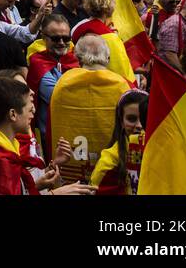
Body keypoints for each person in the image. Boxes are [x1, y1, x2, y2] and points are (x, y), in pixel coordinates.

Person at [0, 77, 93, 195]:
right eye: (29, 109)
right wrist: (55, 193)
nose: (34, 112)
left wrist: (38, 184)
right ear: (13, 114)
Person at [48, 34, 130, 181]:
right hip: (110, 167)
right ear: (108, 58)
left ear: (78, 58)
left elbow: (53, 124)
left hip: (71, 171)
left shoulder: (63, 83)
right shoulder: (121, 85)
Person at [26, 14, 78, 138]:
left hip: (75, 128)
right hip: (49, 133)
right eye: (55, 38)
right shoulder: (38, 62)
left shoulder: (76, 59)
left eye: (66, 38)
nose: (61, 43)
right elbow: (57, 96)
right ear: (44, 37)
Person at [71, 0, 136, 82]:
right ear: (109, 7)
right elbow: (123, 72)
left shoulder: (77, 28)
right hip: (105, 83)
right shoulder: (110, 37)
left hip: (80, 79)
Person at [91, 90, 148, 194]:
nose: (139, 125)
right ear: (121, 122)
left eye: (144, 118)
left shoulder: (164, 153)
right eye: (131, 119)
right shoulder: (108, 163)